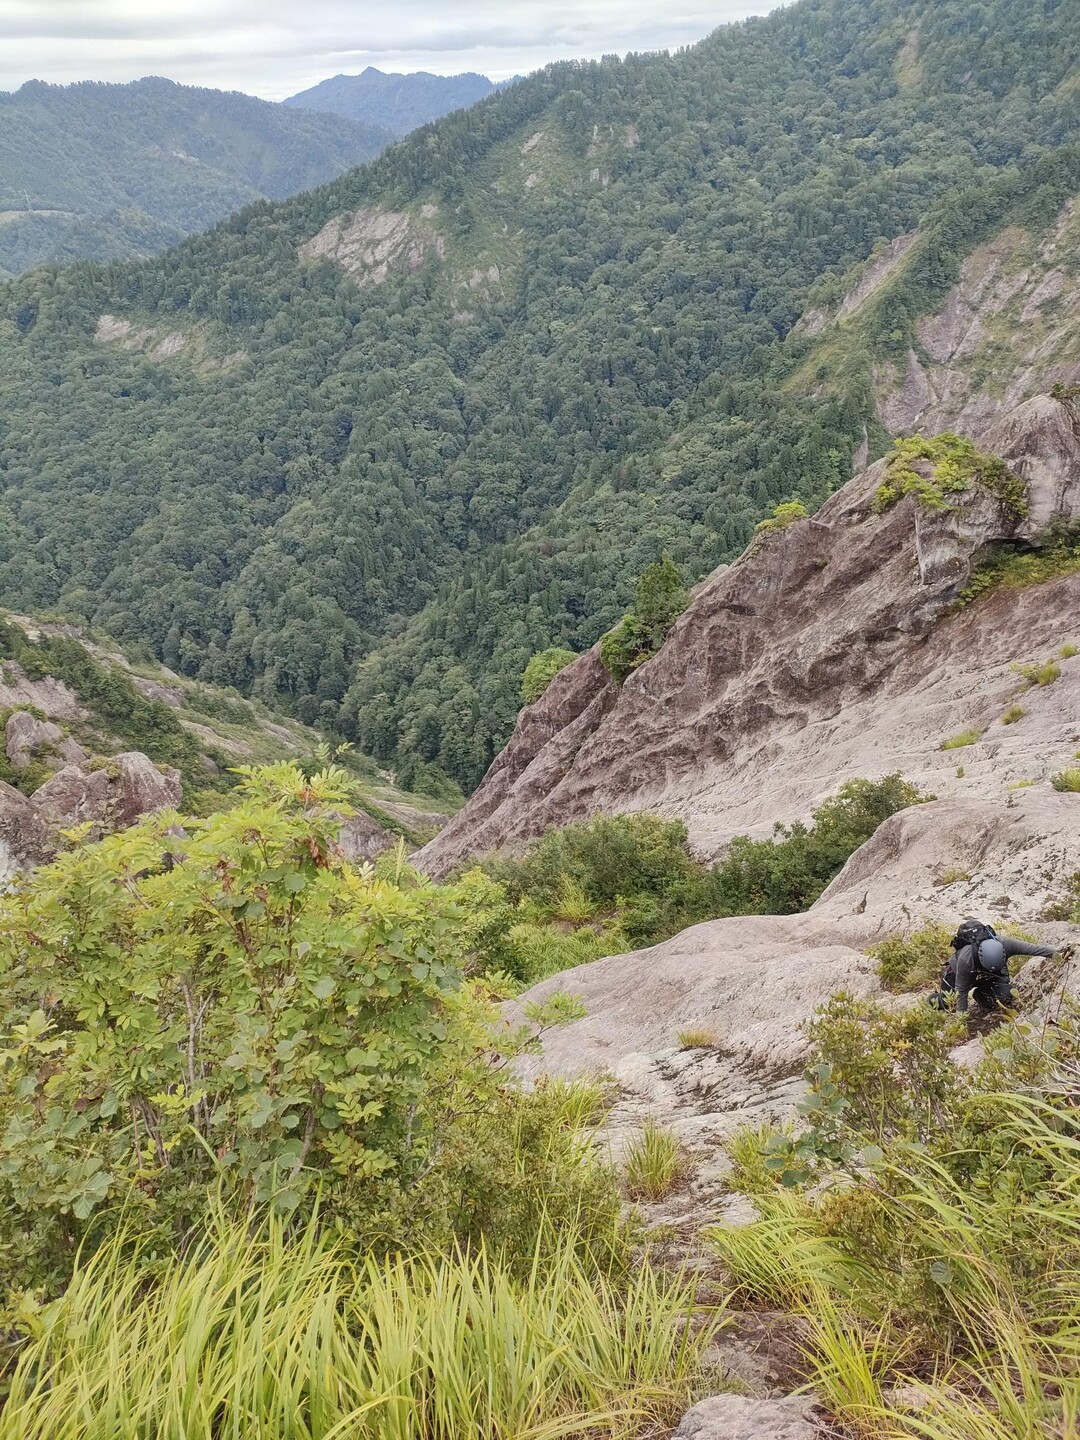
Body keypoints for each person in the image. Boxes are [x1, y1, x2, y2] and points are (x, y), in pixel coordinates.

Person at [934, 919, 1056, 1015]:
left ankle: (980, 994)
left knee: (1005, 997)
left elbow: (1034, 949)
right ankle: (933, 999)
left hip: (990, 975)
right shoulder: (966, 959)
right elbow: (961, 992)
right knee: (948, 1003)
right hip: (957, 975)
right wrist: (961, 1022)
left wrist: (1059, 953)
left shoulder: (1006, 944)